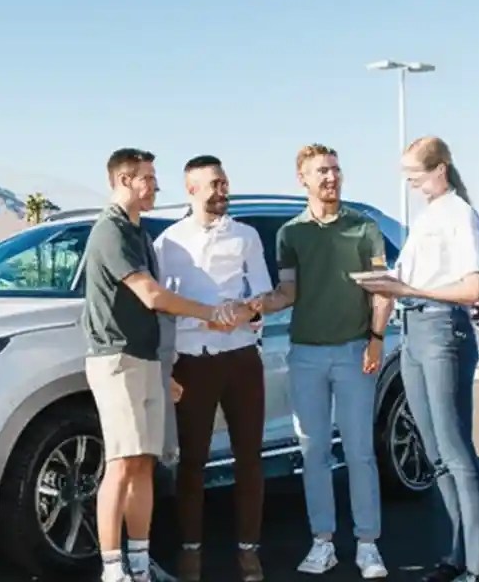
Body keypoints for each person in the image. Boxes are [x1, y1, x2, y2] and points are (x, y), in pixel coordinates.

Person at [81, 147, 251, 582]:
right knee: (120, 463)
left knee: (143, 463)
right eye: (147, 178)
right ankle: (112, 567)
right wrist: (209, 312)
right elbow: (153, 296)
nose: (155, 185)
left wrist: (162, 369)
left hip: (144, 360)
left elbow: (155, 312)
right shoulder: (111, 231)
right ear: (124, 181)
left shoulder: (139, 233)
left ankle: (139, 563)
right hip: (116, 360)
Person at [356, 136, 479, 582]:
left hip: (443, 330)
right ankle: (453, 559)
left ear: (438, 169)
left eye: (415, 175)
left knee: (457, 454)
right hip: (414, 331)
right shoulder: (426, 217)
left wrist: (410, 291)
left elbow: (473, 289)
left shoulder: (461, 216)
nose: (412, 184)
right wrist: (385, 287)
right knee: (434, 455)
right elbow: (408, 277)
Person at [252, 143, 392, 578]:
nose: (331, 177)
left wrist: (376, 338)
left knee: (359, 452)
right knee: (312, 452)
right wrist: (250, 306)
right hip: (305, 356)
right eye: (321, 171)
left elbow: (382, 288)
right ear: (304, 180)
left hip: (355, 353)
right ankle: (322, 542)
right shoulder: (290, 234)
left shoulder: (363, 228)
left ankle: (368, 545)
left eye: (335, 169)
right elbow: (288, 292)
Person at [152, 155, 271, 582]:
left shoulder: (247, 237)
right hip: (191, 363)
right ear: (192, 190)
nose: (223, 190)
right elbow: (160, 306)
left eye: (225, 182)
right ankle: (190, 552)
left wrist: (245, 312)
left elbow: (262, 295)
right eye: (214, 184)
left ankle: (248, 551)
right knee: (192, 461)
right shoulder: (168, 243)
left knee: (248, 458)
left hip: (241, 358)